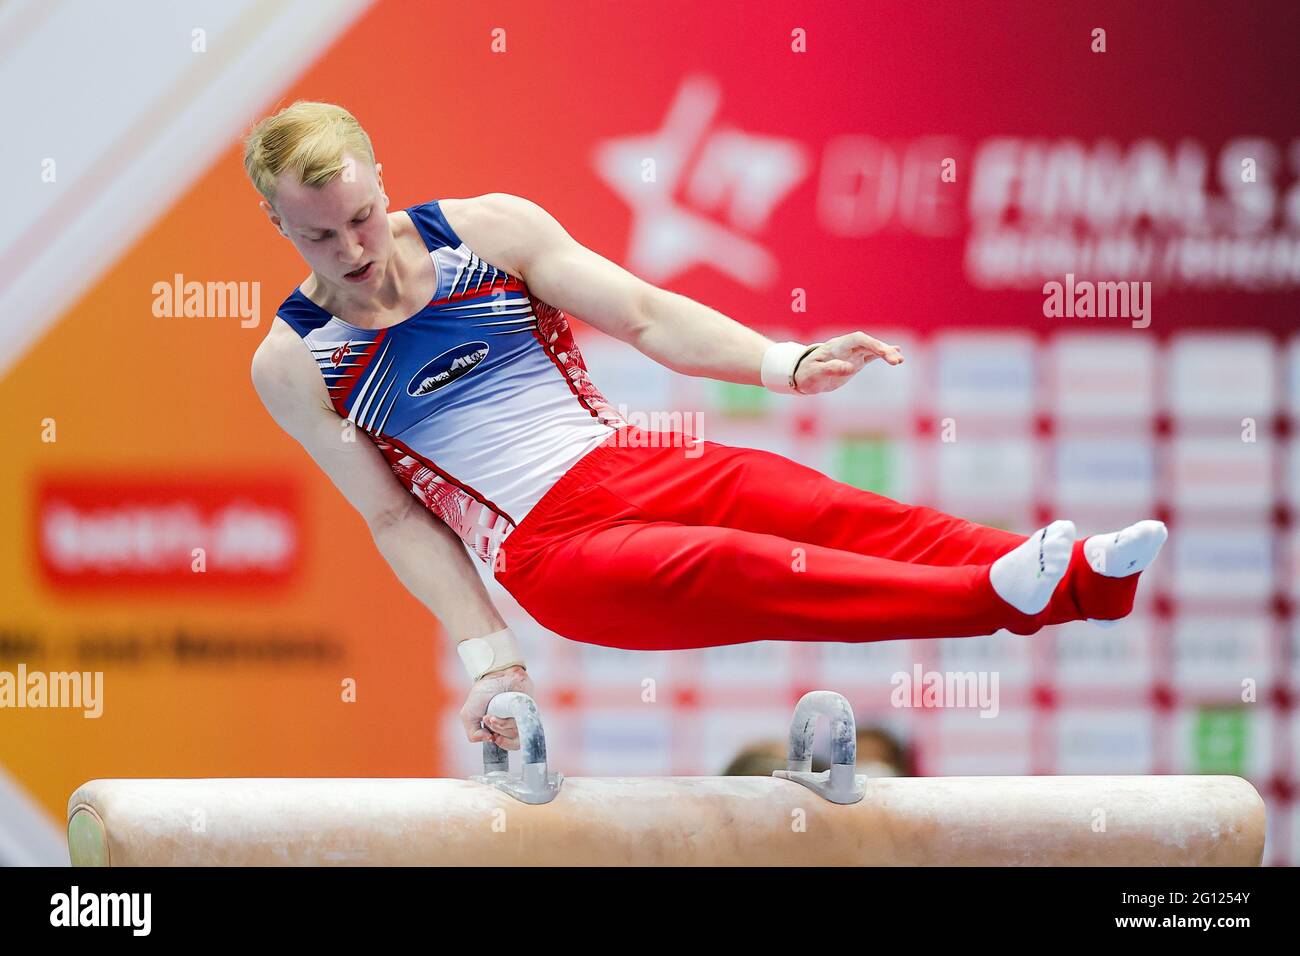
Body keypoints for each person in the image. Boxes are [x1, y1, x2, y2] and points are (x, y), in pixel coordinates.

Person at [244, 101, 1167, 753]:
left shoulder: (485, 233)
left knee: (818, 506)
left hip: (631, 462)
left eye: (361, 218)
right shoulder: (295, 363)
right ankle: (998, 598)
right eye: (320, 237)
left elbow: (645, 316)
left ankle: (1081, 581)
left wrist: (784, 362)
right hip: (549, 552)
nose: (355, 250)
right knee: (745, 567)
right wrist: (491, 660)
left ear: (380, 179)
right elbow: (399, 519)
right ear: (275, 220)